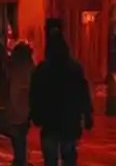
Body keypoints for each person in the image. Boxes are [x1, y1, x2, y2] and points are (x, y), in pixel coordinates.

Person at [29, 34, 93, 166]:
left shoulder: (42, 70)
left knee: (50, 159)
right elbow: (82, 94)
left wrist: (35, 114)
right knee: (68, 156)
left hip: (49, 121)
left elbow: (34, 94)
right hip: (69, 120)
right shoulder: (75, 69)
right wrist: (87, 115)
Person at [0, 41, 35, 166]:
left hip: (13, 108)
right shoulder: (30, 68)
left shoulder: (11, 68)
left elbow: (3, 88)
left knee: (17, 137)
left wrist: (2, 103)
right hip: (26, 110)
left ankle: (19, 160)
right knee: (20, 136)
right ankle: (20, 159)